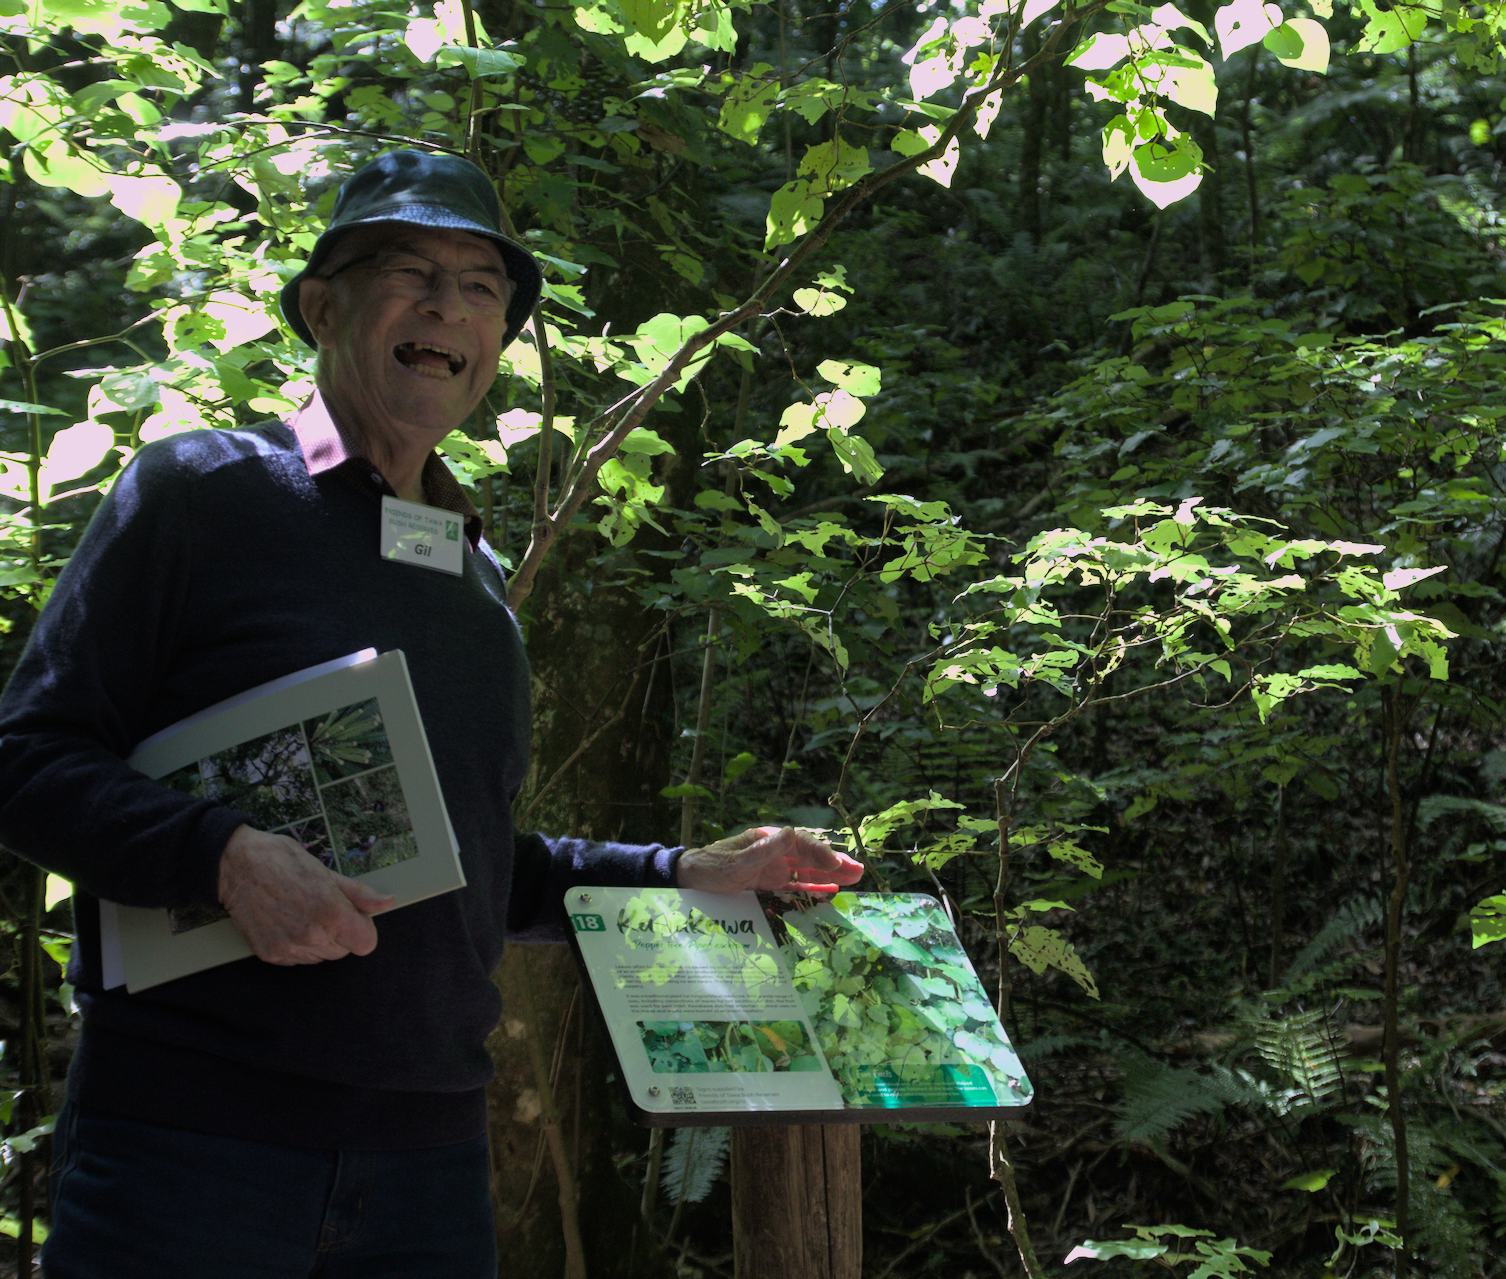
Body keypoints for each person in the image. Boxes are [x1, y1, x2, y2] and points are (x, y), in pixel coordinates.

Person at [0, 149, 864, 1276]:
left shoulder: (470, 573)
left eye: (482, 287)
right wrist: (221, 855)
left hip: (426, 1166)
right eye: (410, 271)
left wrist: (686, 872)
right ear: (323, 306)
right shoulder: (199, 492)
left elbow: (469, 863)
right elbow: (25, 759)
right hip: (191, 1144)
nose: (448, 306)